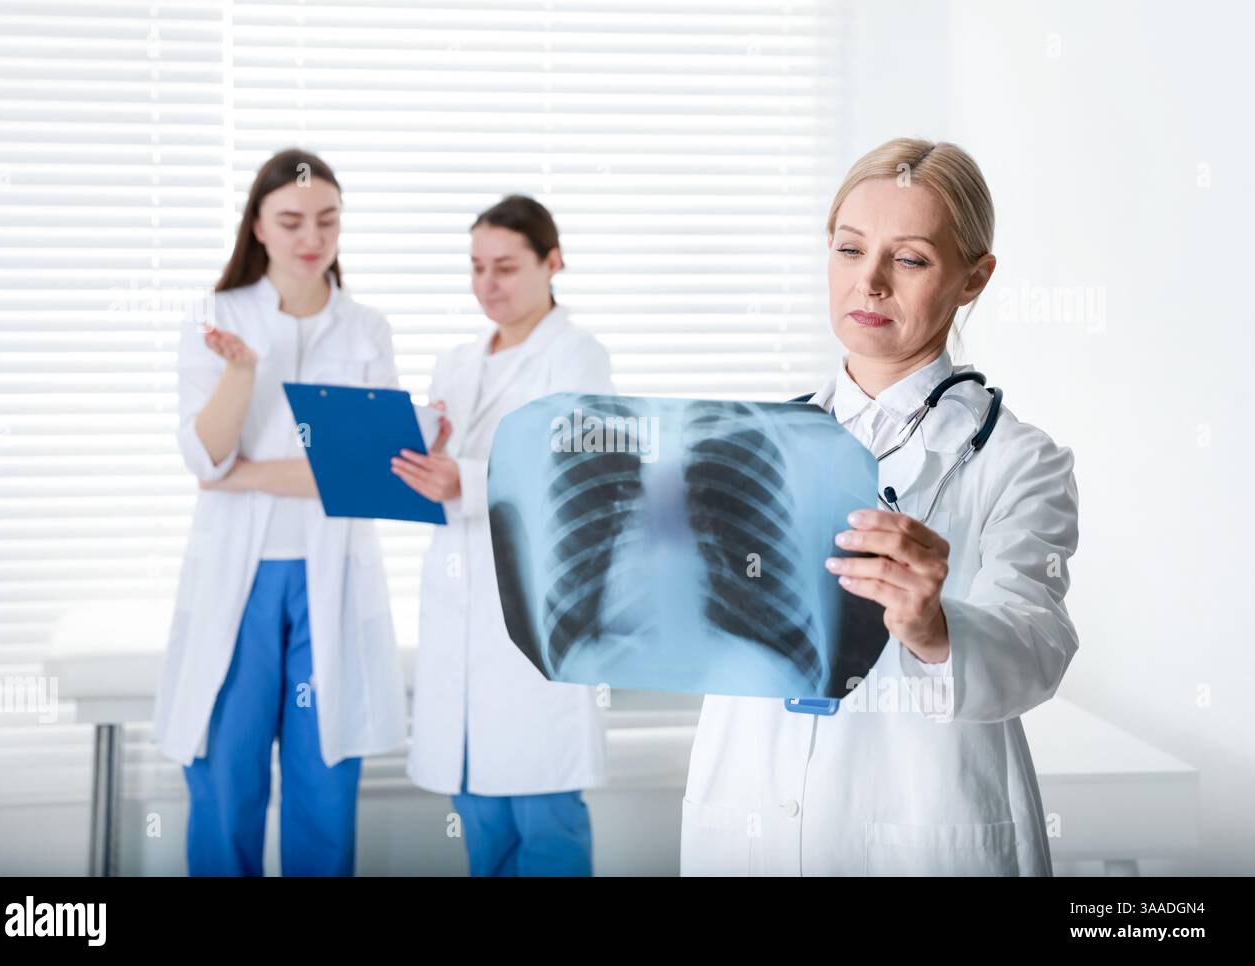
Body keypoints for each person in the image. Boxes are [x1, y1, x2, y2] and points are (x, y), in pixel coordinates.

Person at [680, 138, 1080, 876]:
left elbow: (1038, 643)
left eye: (911, 259)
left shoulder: (1017, 461)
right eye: (848, 249)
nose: (869, 283)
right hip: (749, 814)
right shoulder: (750, 445)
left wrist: (935, 628)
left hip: (927, 825)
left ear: (974, 278)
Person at [153, 148, 407, 876]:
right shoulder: (218, 317)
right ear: (258, 227)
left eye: (328, 220)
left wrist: (246, 475)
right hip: (242, 583)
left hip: (332, 579)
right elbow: (206, 459)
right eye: (291, 220)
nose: (312, 237)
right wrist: (241, 371)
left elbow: (369, 476)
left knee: (323, 788)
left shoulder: (366, 329)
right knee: (226, 782)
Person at [393, 195, 613, 876]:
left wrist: (464, 478)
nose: (489, 283)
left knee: (543, 813)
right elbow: (441, 480)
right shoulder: (455, 363)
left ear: (553, 262)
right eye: (477, 267)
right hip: (459, 603)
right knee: (481, 817)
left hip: (533, 606)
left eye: (507, 267)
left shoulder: (576, 357)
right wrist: (414, 456)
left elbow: (576, 476)